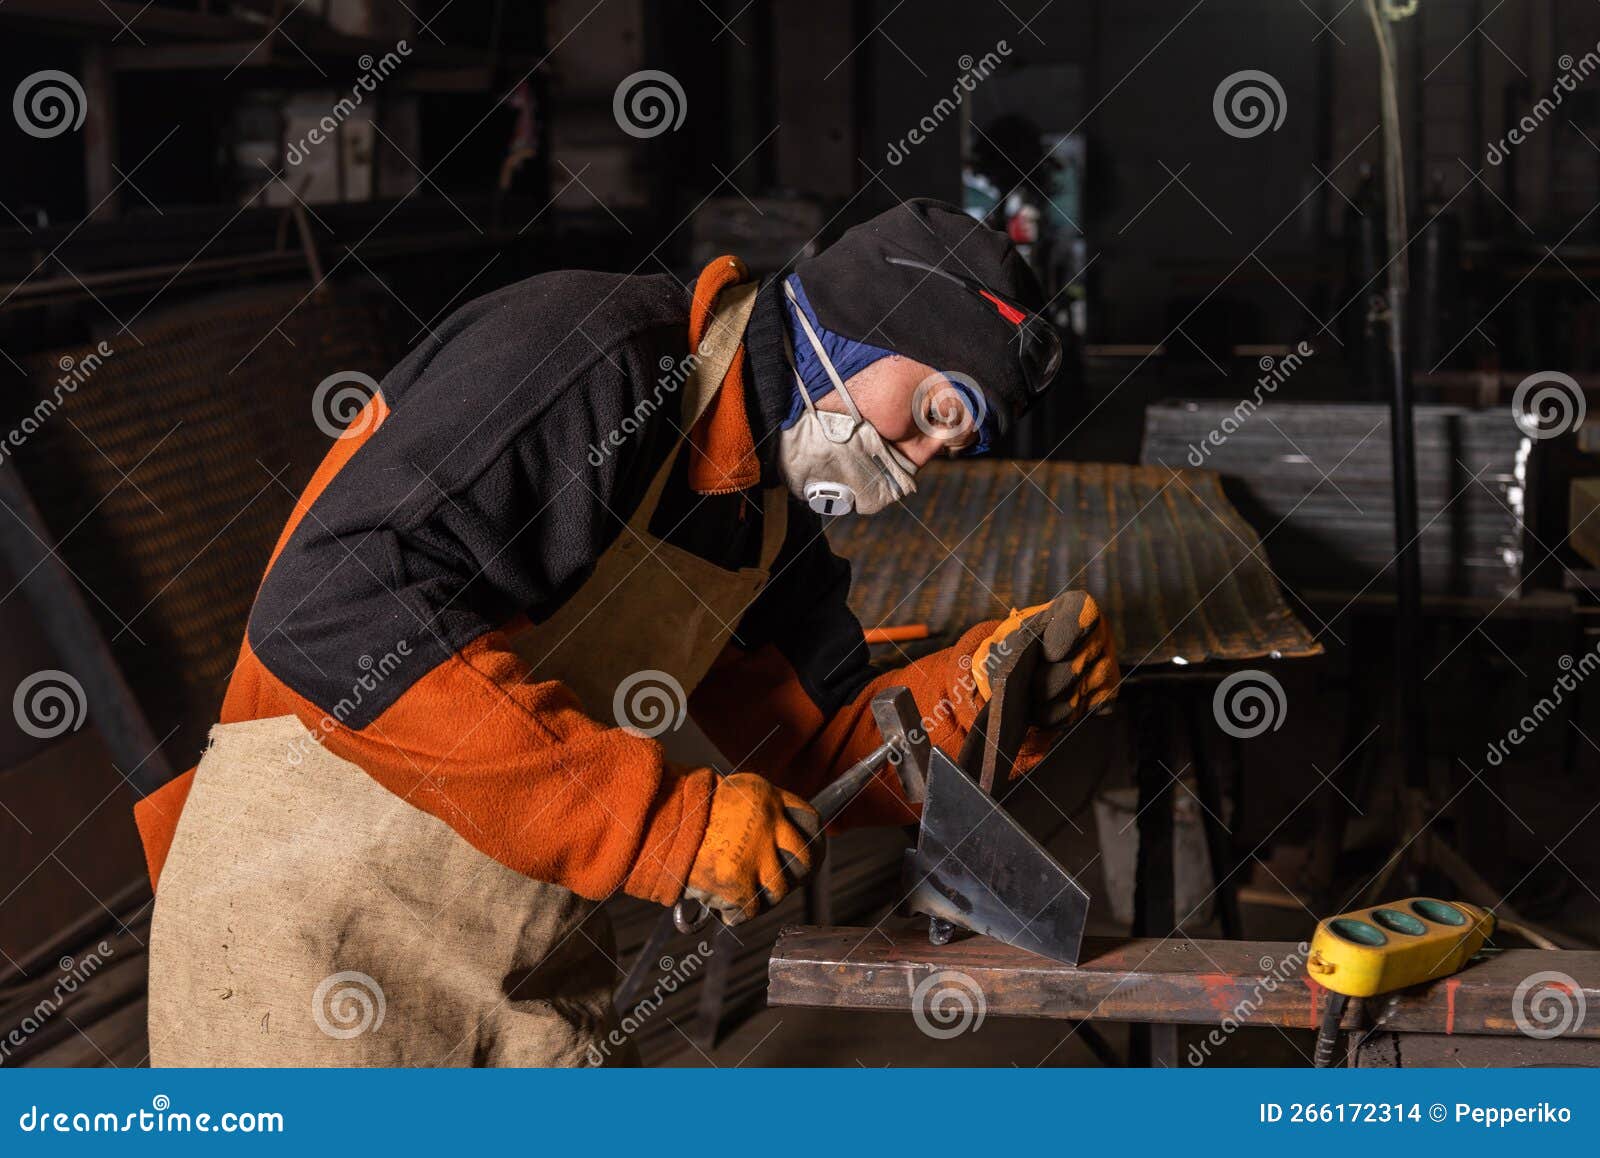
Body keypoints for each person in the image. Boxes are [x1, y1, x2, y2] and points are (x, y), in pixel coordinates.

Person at [132, 197, 1119, 1066]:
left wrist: (992, 690)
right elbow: (331, 607)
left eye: (958, 442)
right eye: (936, 409)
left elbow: (821, 744)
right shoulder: (589, 359)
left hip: (518, 953)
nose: (924, 456)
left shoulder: (765, 521)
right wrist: (657, 824)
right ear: (862, 323)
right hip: (307, 946)